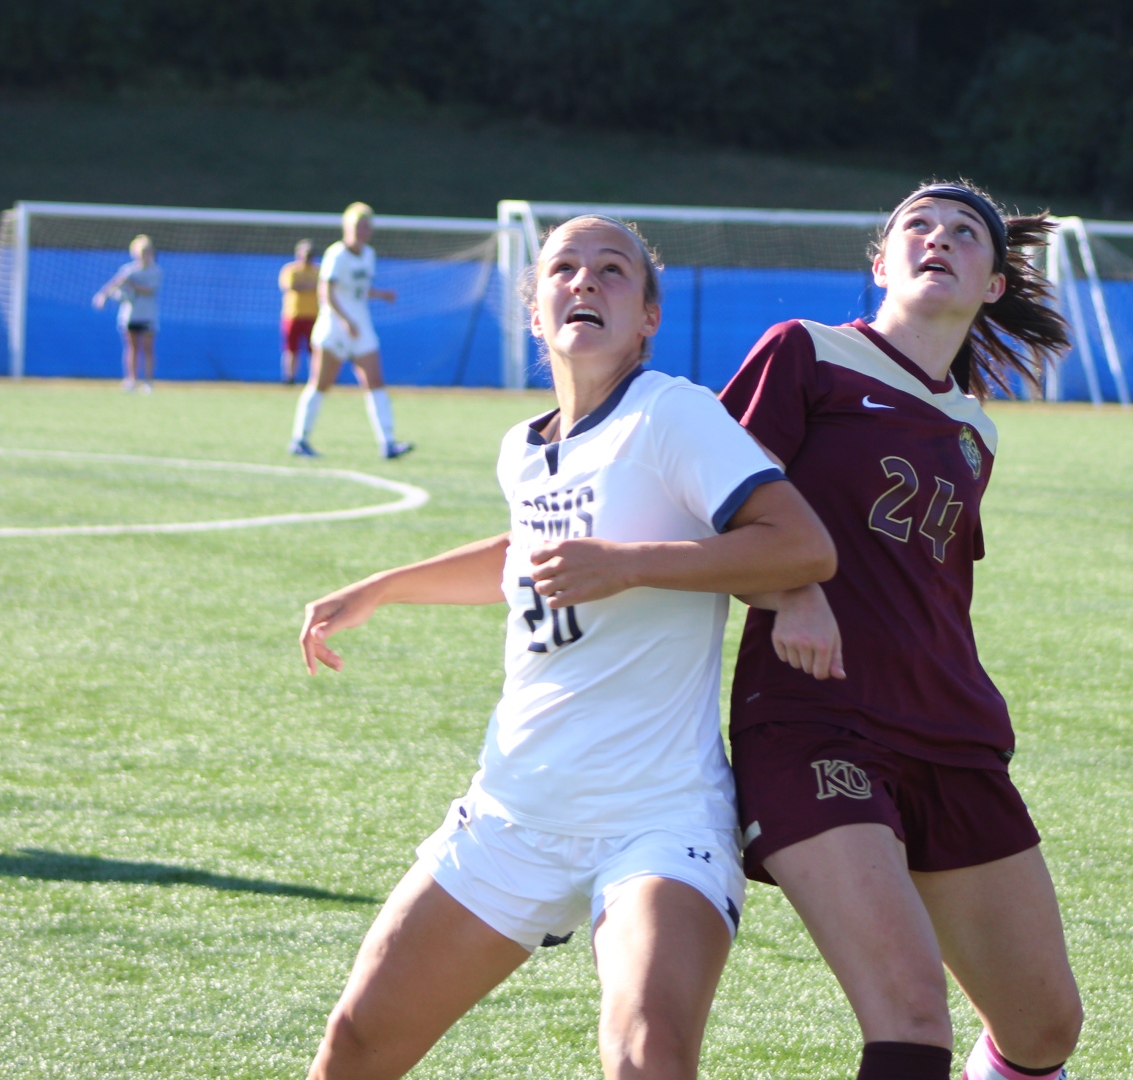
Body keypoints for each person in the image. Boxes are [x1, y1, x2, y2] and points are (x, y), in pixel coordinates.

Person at [296, 215, 836, 1080]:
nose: (585, 282)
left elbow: (802, 544)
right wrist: (383, 587)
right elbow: (531, 555)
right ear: (535, 311)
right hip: (513, 811)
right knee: (355, 1048)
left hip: (657, 819)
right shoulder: (524, 449)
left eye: (613, 271)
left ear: (648, 316)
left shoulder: (672, 413)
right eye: (565, 269)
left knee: (645, 1055)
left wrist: (631, 567)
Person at [718, 182, 1084, 1080]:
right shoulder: (808, 352)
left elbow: (932, 593)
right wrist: (791, 591)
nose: (939, 239)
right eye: (916, 226)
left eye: (965, 233)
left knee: (1046, 1031)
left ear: (993, 285)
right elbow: (710, 500)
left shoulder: (974, 430)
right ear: (879, 262)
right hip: (816, 722)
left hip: (953, 734)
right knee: (914, 1016)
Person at [291, 202, 410, 459]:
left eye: (366, 226)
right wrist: (345, 320)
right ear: (347, 227)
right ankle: (299, 439)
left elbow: (357, 289)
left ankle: (388, 443)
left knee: (375, 382)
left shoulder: (368, 254)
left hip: (361, 326)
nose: (362, 231)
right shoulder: (336, 254)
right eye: (357, 225)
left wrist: (380, 295)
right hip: (334, 327)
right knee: (320, 383)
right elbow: (326, 292)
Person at [91, 234, 161, 393]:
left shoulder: (155, 271)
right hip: (130, 315)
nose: (144, 256)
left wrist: (131, 284)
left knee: (148, 348)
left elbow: (149, 291)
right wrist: (104, 296)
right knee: (132, 347)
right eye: (141, 252)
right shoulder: (128, 270)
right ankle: (131, 380)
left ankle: (148, 382)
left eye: (147, 252)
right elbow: (115, 283)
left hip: (148, 315)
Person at [278, 239, 319, 385]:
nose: (308, 257)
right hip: (292, 315)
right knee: (291, 349)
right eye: (306, 253)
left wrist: (307, 286)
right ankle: (289, 378)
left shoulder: (318, 270)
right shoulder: (291, 270)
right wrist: (311, 286)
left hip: (314, 316)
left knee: (314, 350)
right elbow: (291, 286)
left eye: (311, 254)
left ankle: (315, 379)